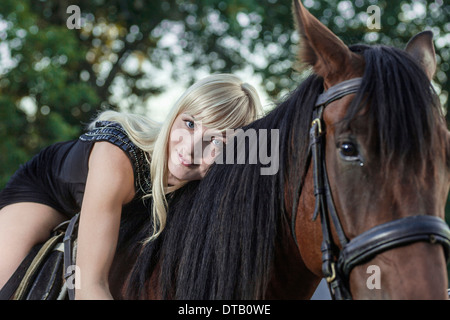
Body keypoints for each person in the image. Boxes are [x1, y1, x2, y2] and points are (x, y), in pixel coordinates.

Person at [0, 73, 263, 299]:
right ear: (174, 116)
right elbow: (88, 287)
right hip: (48, 194)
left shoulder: (211, 187)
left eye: (216, 142)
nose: (190, 149)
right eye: (190, 124)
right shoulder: (117, 159)